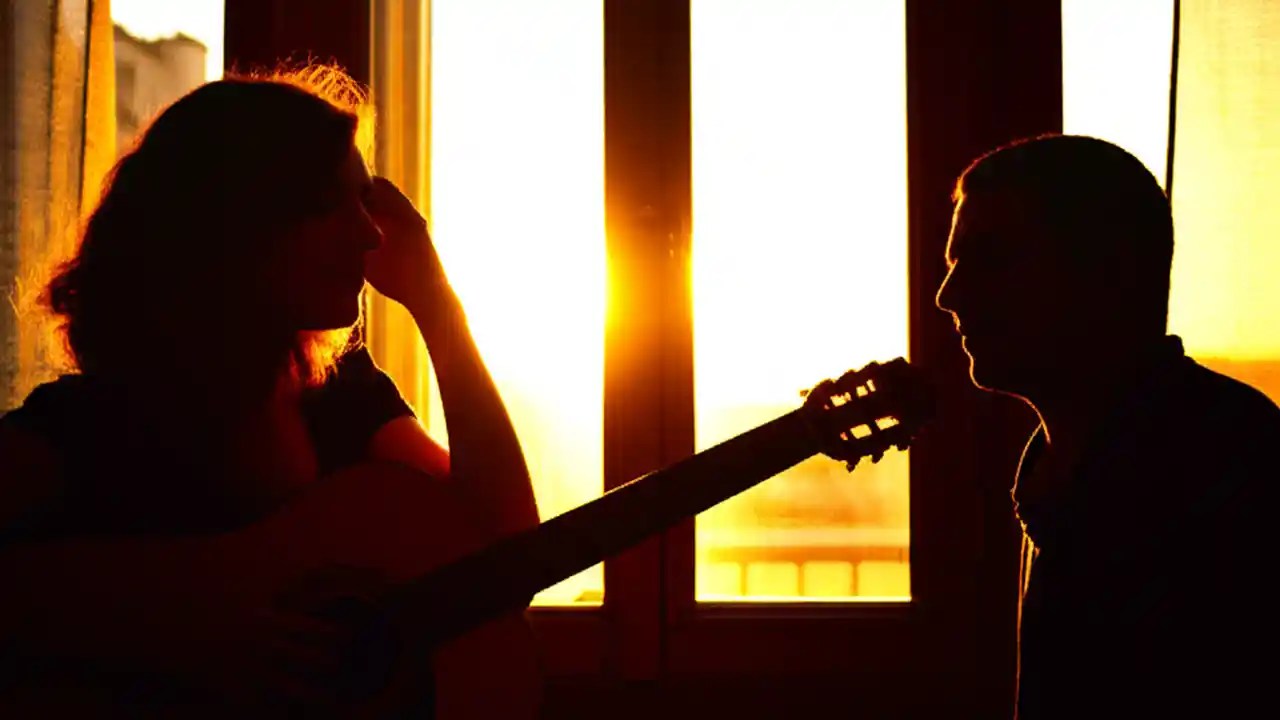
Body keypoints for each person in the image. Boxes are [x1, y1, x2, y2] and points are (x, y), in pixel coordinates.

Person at [0, 65, 539, 712]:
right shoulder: (91, 428)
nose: (372, 234)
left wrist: (435, 299)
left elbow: (505, 557)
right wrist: (162, 629)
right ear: (241, 226)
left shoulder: (341, 395)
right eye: (332, 206)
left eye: (366, 203)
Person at [935, 134, 1279, 719]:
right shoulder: (1058, 468)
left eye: (992, 260)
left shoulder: (1234, 471)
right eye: (954, 264)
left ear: (1107, 273)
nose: (950, 295)